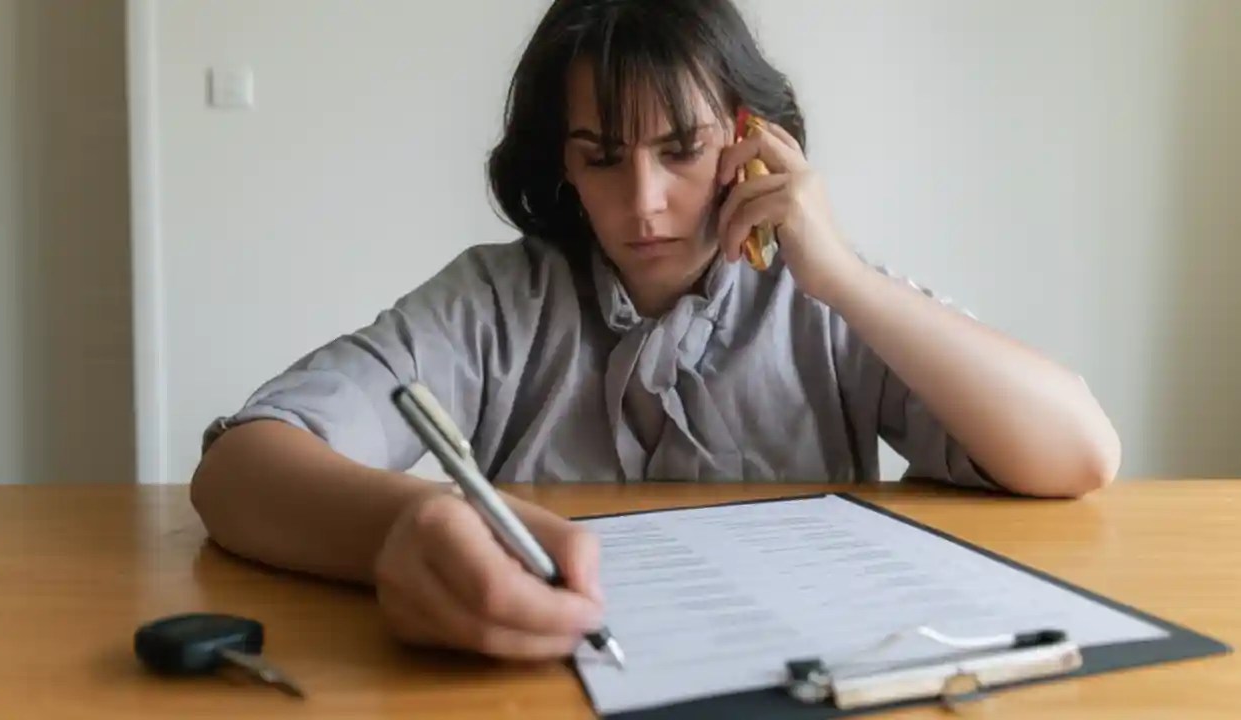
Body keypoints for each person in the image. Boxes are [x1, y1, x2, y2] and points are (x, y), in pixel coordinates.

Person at [190, 0, 1121, 662]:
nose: (643, 204)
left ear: (749, 140)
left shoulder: (819, 301)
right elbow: (237, 470)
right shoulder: (497, 300)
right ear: (561, 168)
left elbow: (1080, 452)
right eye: (602, 160)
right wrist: (420, 521)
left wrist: (835, 273)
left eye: (681, 150)